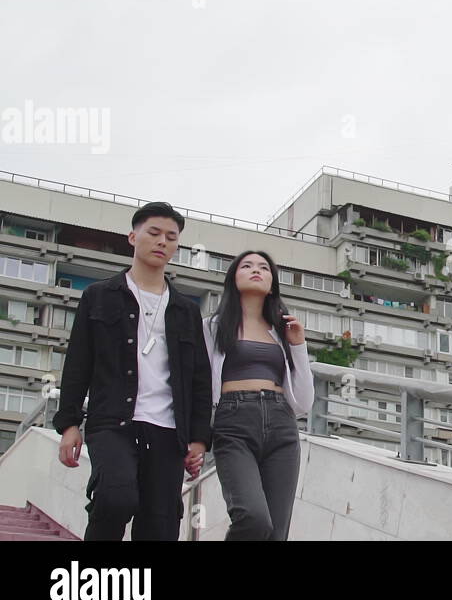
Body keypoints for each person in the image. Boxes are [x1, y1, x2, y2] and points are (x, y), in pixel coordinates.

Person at [54, 202, 212, 541]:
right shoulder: (98, 297)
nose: (162, 242)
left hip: (168, 430)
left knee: (161, 522)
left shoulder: (186, 311)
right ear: (133, 236)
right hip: (113, 421)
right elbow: (78, 363)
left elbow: (199, 378)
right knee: (115, 497)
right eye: (153, 233)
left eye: (171, 237)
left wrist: (198, 438)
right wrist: (69, 424)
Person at [203, 250, 313, 541]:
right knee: (253, 519)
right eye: (247, 266)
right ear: (233, 278)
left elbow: (303, 402)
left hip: (282, 426)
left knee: (276, 534)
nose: (256, 270)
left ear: (272, 282)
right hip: (233, 422)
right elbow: (198, 385)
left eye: (264, 267)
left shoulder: (282, 332)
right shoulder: (212, 328)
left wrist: (299, 345)